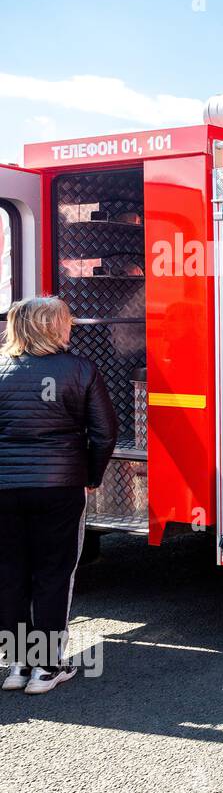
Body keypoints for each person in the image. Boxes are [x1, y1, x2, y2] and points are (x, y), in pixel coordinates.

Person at [0, 296, 116, 693]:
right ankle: (46, 669)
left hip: (5, 489)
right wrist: (91, 475)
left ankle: (17, 665)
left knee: (10, 573)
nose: (70, 328)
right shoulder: (81, 369)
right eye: (66, 322)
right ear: (53, 328)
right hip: (59, 486)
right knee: (53, 573)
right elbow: (104, 432)